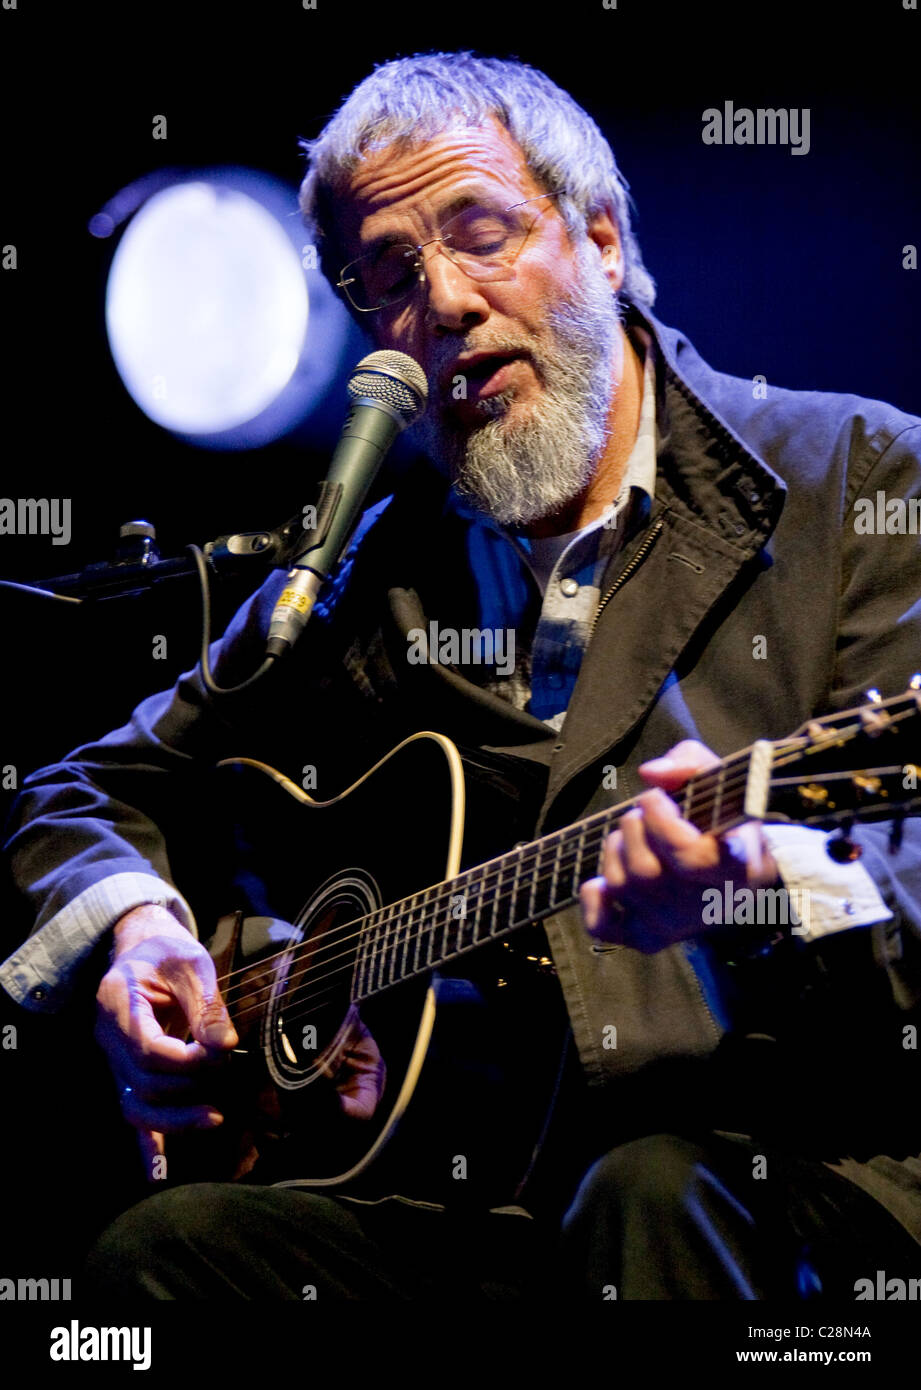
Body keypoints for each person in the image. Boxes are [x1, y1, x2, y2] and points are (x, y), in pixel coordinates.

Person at [3, 50, 921, 1300]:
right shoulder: (380, 569)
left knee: (652, 1185)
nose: (440, 300)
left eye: (480, 232)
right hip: (496, 1189)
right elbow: (88, 785)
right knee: (164, 1258)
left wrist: (770, 888)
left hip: (801, 1178)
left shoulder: (862, 474)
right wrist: (143, 926)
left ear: (599, 239)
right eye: (387, 276)